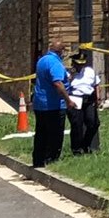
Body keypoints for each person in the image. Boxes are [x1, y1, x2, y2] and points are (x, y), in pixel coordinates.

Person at [32, 38, 70, 168]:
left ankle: (38, 160)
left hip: (40, 104)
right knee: (55, 135)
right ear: (61, 51)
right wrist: (68, 100)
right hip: (54, 105)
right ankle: (51, 160)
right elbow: (57, 83)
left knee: (41, 133)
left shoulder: (42, 60)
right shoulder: (55, 63)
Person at [66, 50, 100, 156]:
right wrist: (71, 76)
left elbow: (96, 84)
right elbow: (64, 87)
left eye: (82, 64)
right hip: (75, 98)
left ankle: (86, 145)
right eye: (78, 64)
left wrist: (98, 97)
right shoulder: (68, 73)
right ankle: (76, 149)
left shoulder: (90, 71)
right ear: (73, 63)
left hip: (89, 99)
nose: (80, 66)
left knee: (93, 123)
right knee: (77, 125)